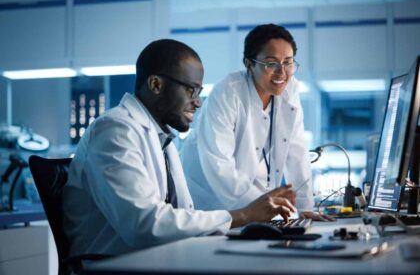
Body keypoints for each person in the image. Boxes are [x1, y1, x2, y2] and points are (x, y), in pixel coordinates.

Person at [62, 39, 297, 257]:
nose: (198, 102)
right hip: (115, 266)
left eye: (199, 92)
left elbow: (181, 213)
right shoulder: (115, 130)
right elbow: (145, 224)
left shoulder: (160, 137)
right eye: (191, 90)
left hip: (160, 259)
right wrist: (244, 215)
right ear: (155, 84)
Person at [181, 24, 333, 221]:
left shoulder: (290, 90)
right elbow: (219, 166)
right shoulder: (227, 93)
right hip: (208, 201)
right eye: (271, 63)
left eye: (288, 62)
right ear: (249, 64)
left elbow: (296, 152)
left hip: (253, 203)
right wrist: (265, 207)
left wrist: (304, 208)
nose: (282, 73)